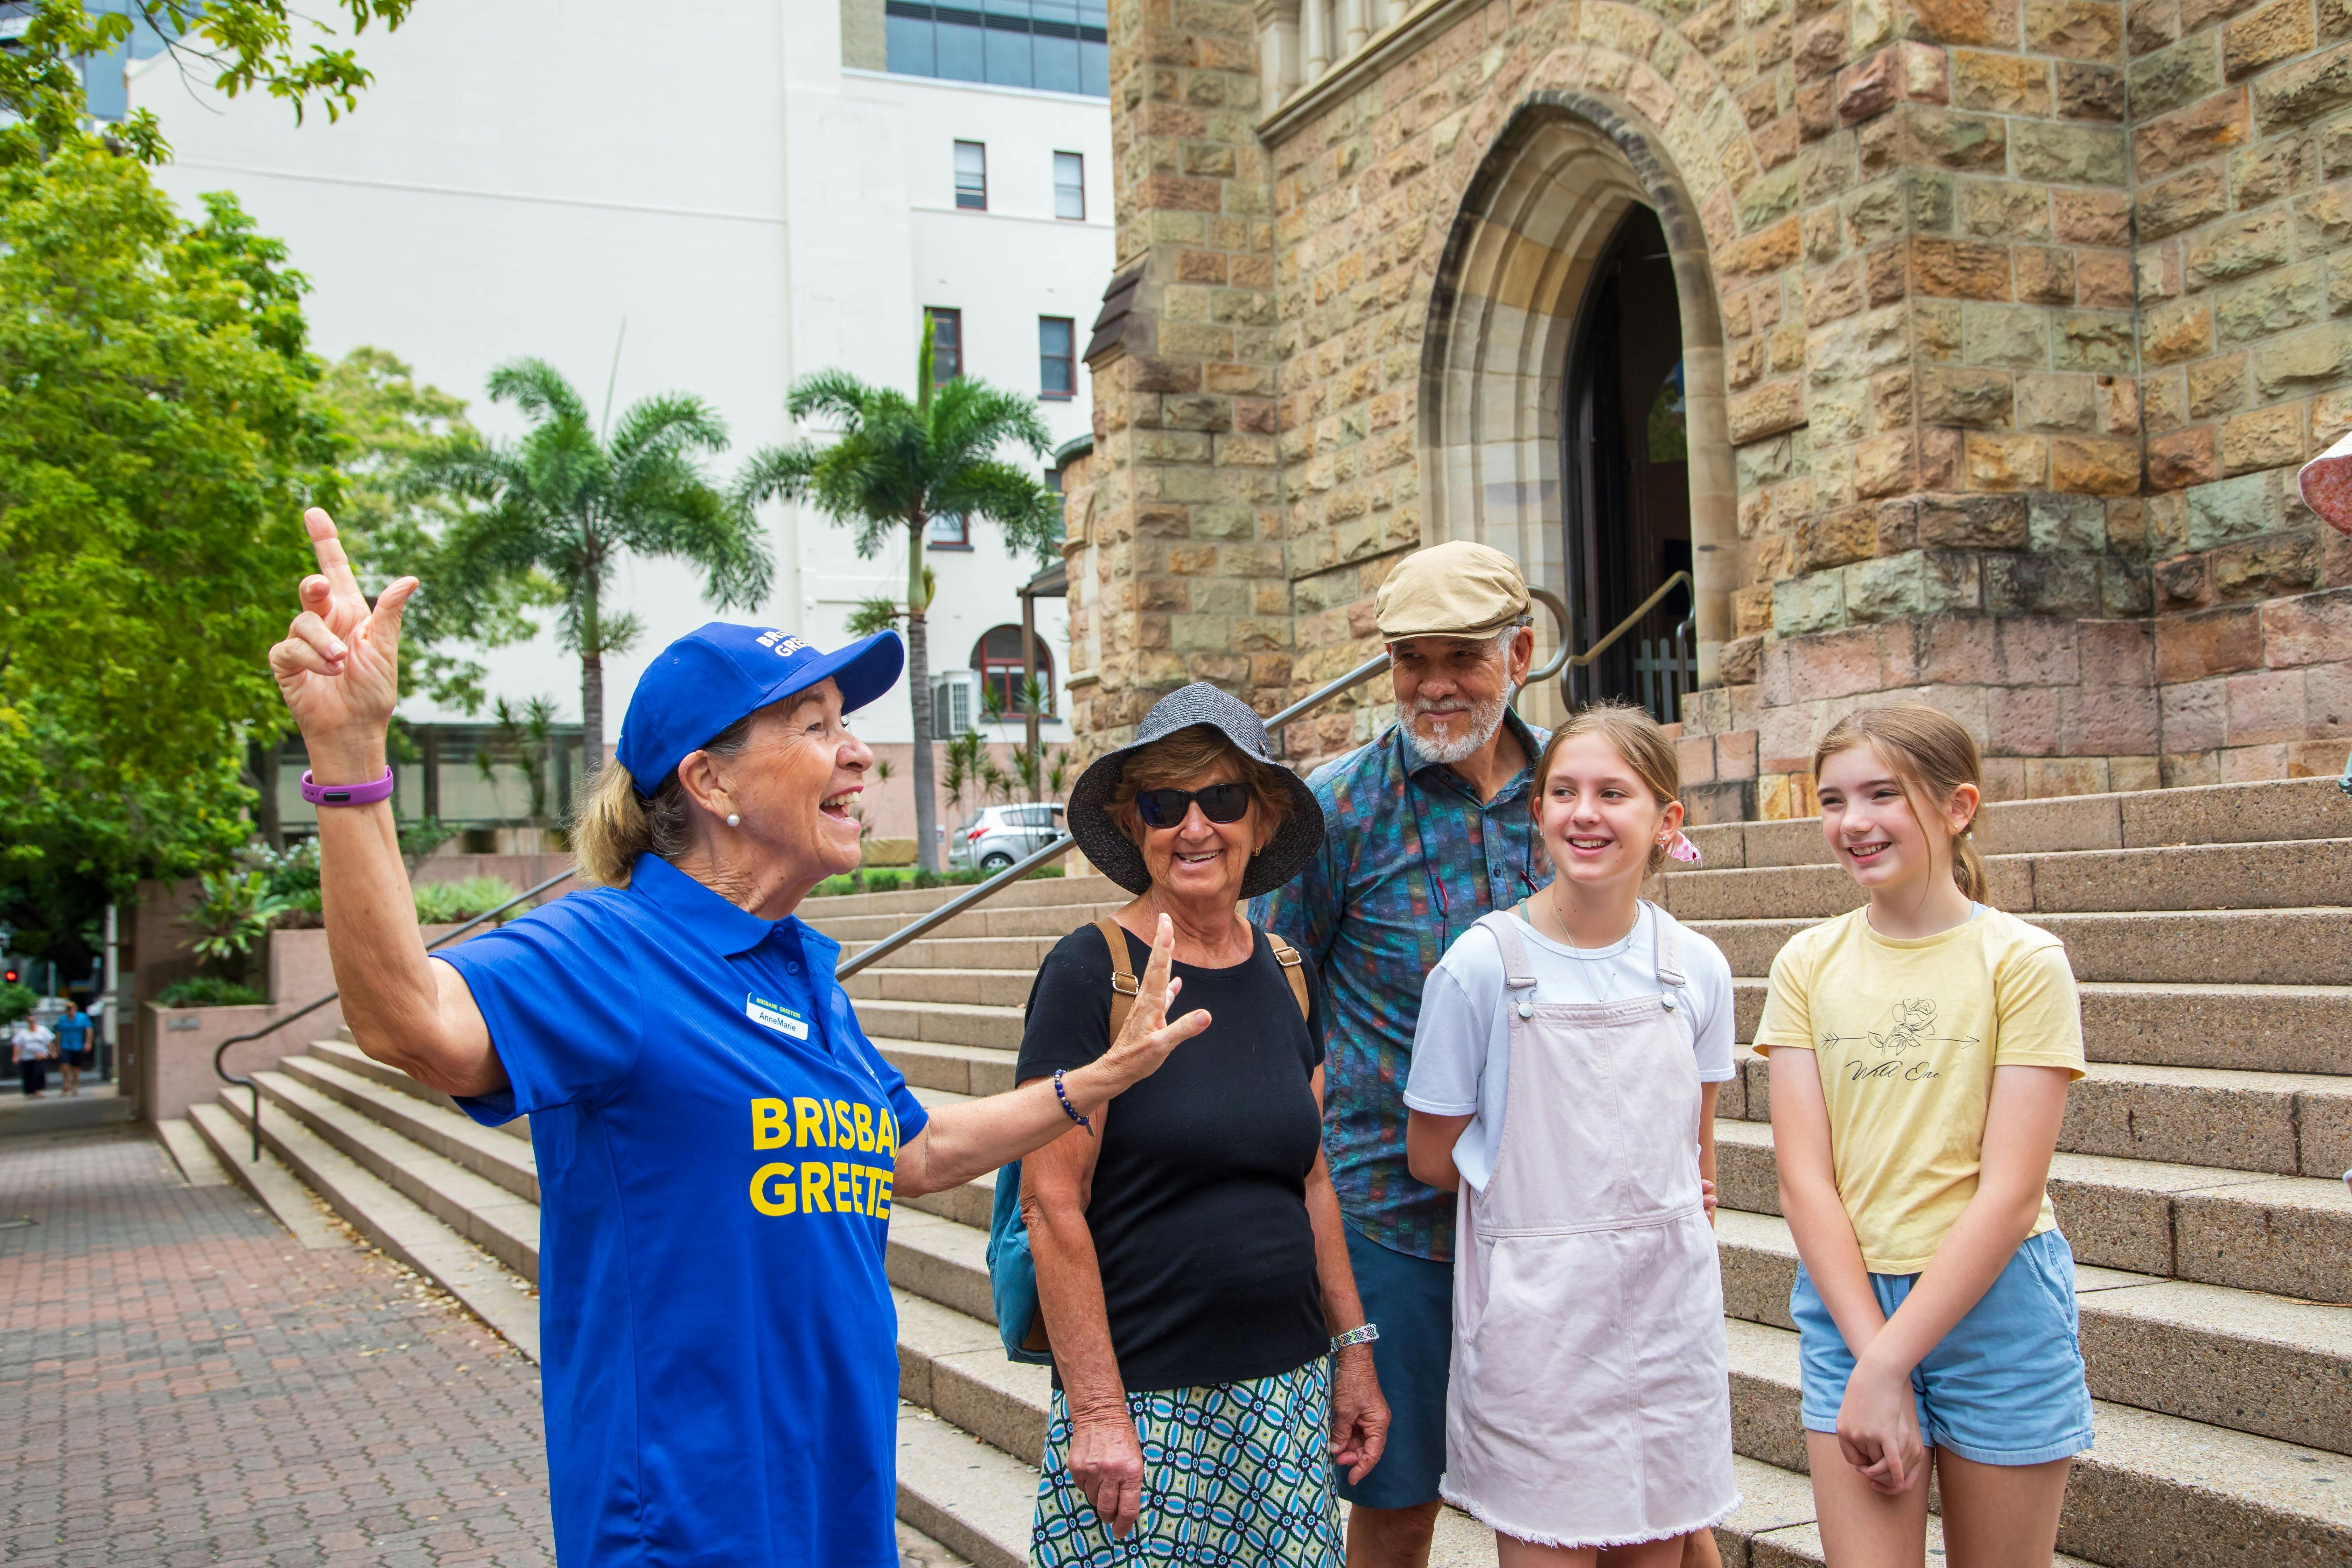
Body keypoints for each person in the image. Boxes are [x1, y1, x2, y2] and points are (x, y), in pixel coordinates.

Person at [267, 507, 1209, 1568]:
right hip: (685, 1529)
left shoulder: (800, 967)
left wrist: (1099, 1076)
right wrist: (349, 759)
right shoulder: (609, 948)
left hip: (837, 1508)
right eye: (812, 724)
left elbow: (910, 1148)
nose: (856, 749)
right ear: (708, 782)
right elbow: (408, 1020)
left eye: (843, 720)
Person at [1022, 682, 1387, 1566]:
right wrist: (1099, 1411)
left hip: (1286, 1401)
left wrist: (1354, 1354)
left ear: (1260, 821)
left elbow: (1311, 1181)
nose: (1195, 827)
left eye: (1222, 799)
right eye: (1166, 803)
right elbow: (1050, 1204)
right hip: (1146, 1410)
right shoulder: (1090, 972)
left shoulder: (1289, 970)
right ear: (1134, 823)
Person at [1253, 540, 1551, 1568]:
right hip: (1388, 1212)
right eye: (1407, 657)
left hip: (1556, 1210)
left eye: (1459, 656)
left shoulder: (1580, 792)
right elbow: (1269, 998)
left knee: (1576, 1488)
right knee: (1394, 1489)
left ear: (1520, 649)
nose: (1430, 684)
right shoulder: (1334, 810)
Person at [1404, 703, 1738, 1565]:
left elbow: (1695, 1155)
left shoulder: (1694, 969)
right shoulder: (1481, 967)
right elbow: (1432, 1154)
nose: (1585, 812)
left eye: (1613, 793)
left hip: (1667, 1323)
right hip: (1540, 1327)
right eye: (1565, 792)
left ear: (1666, 821)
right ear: (1539, 812)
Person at [1757, 703, 2090, 1567]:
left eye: (1881, 795)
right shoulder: (1805, 963)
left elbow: (2011, 1193)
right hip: (1850, 1303)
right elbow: (1805, 1183)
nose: (1853, 823)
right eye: (1832, 801)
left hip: (1996, 1304)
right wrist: (1874, 1359)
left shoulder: (2023, 961)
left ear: (1957, 806)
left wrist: (1888, 1365)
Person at [52, 1001, 93, 1096]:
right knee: (64, 1065)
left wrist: (88, 1043)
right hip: (65, 1046)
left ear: (75, 1009)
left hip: (78, 1046)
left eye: (71, 1008)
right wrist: (57, 1047)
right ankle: (66, 1084)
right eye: (67, 1009)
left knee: (76, 1067)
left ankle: (75, 1085)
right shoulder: (63, 1019)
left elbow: (89, 1031)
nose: (69, 1010)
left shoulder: (83, 1018)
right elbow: (58, 1033)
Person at [12, 1012, 56, 1098]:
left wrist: (53, 1052)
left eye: (33, 1021)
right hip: (27, 1057)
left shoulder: (43, 1030)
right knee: (28, 1075)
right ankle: (30, 1092)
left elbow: (49, 1042)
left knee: (40, 1072)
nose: (32, 1023)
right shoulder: (23, 1033)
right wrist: (16, 1056)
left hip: (41, 1056)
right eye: (30, 1021)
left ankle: (38, 1090)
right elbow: (17, 1045)